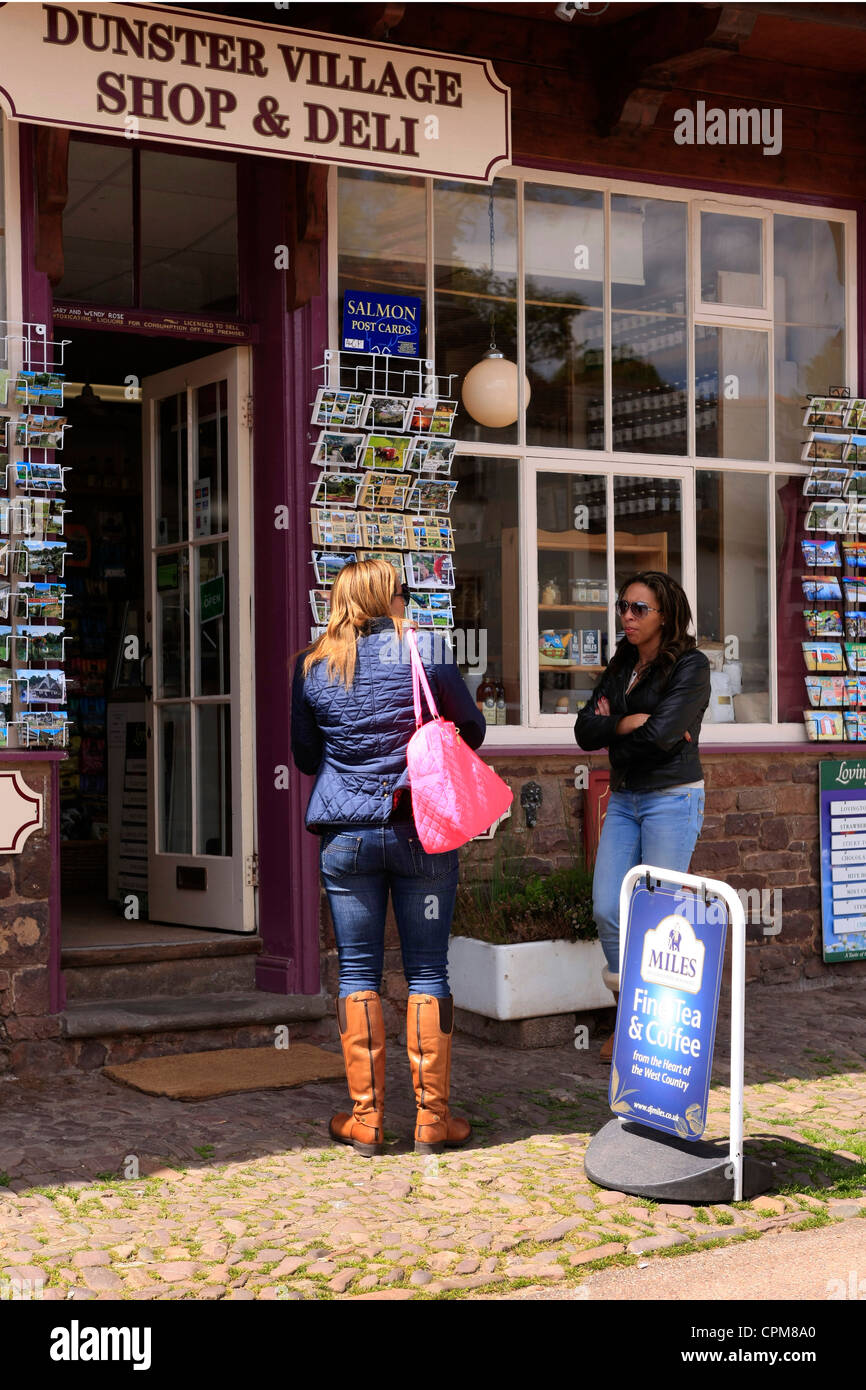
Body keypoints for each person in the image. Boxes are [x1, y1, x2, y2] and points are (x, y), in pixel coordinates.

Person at [290, 558, 487, 1156]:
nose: (409, 601)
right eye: (404, 592)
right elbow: (472, 729)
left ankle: (367, 1121)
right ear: (389, 597)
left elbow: (304, 756)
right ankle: (433, 1120)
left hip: (346, 836)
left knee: (357, 973)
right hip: (419, 831)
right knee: (428, 971)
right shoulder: (425, 652)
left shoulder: (312, 666)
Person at [574, 571, 710, 1061]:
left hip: (672, 799)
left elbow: (661, 737)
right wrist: (627, 722)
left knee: (662, 916)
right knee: (609, 908)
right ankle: (632, 1013)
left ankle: (658, 1028)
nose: (627, 617)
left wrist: (625, 729)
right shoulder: (622, 663)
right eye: (623, 607)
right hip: (626, 798)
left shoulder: (691, 667)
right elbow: (585, 731)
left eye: (639, 609)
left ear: (666, 615)